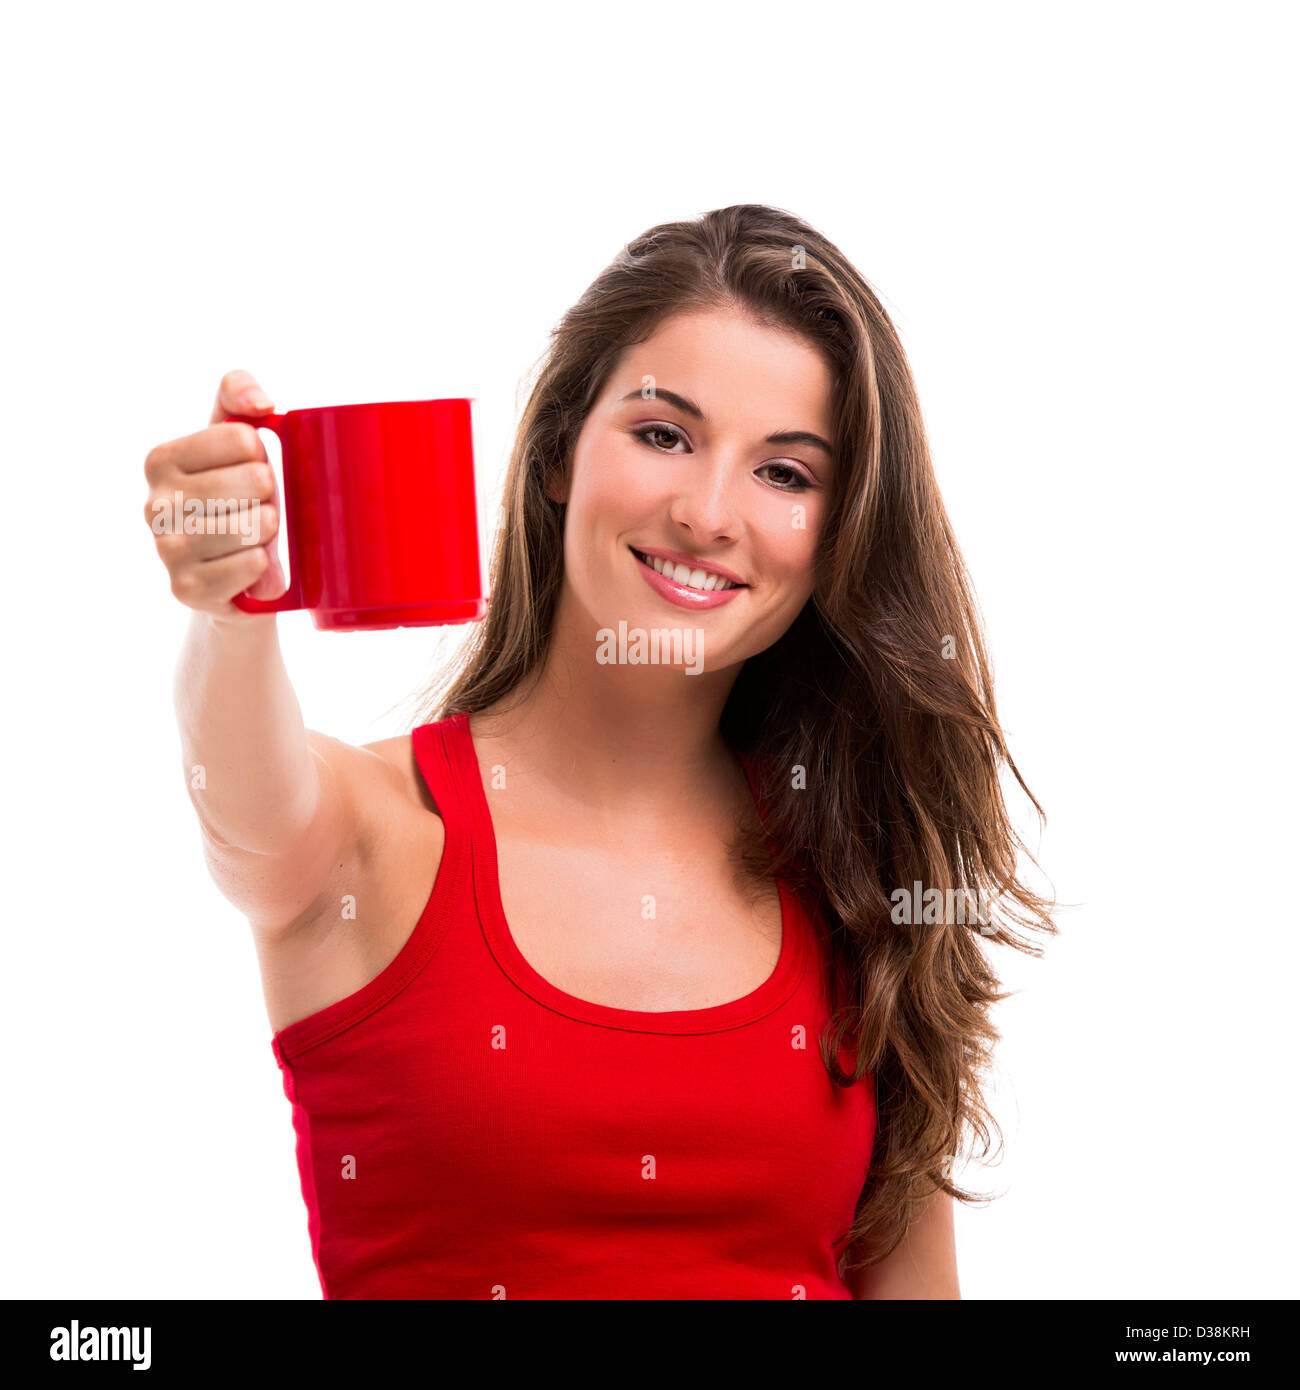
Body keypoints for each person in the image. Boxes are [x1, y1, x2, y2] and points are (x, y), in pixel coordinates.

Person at [143, 203, 1054, 1300]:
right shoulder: (366, 834)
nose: (707, 512)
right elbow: (239, 795)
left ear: (838, 534)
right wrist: (228, 601)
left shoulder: (862, 870)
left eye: (786, 474)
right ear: (563, 450)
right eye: (663, 434)